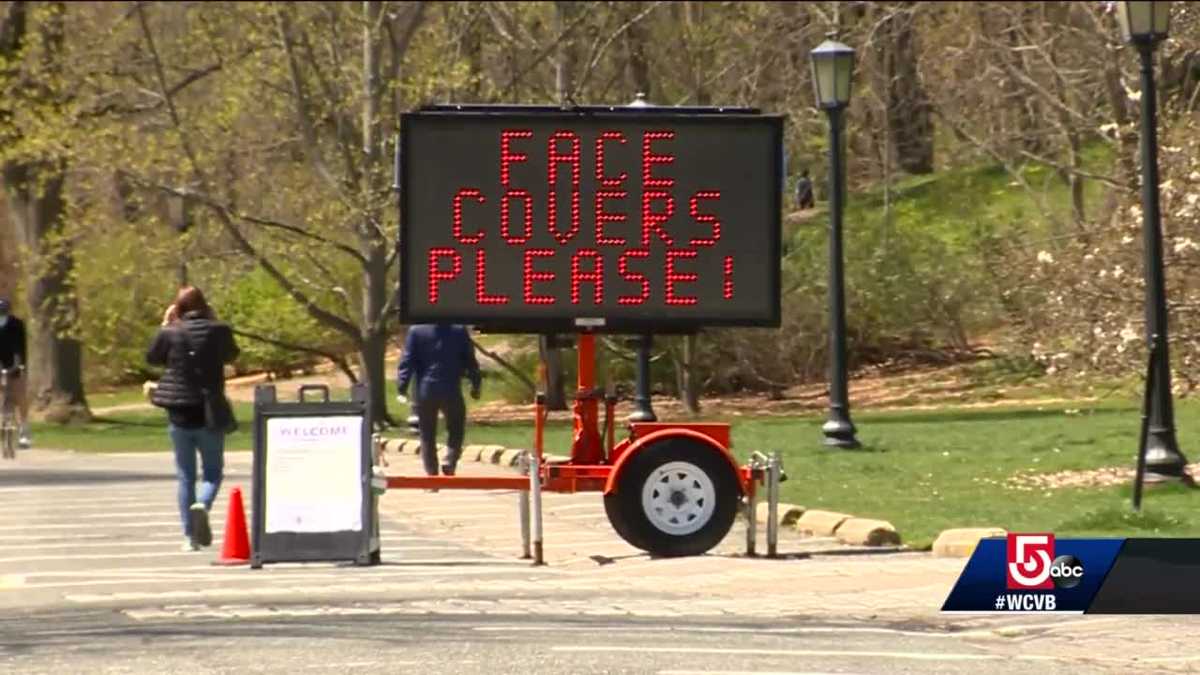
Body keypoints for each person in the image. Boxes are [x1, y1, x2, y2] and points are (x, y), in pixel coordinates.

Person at [146, 286, 240, 552]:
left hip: (178, 414)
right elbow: (232, 355)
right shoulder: (219, 330)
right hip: (209, 412)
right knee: (212, 472)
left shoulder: (170, 332)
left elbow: (152, 358)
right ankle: (204, 504)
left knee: (185, 476)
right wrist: (216, 320)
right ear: (205, 305)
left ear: (178, 308)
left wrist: (165, 324)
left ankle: (189, 537)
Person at [396, 324, 481, 478]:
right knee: (456, 428)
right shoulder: (458, 331)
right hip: (451, 389)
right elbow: (470, 360)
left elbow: (407, 361)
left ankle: (432, 474)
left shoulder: (416, 331)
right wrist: (475, 384)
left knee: (427, 434)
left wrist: (402, 386)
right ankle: (450, 459)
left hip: (426, 390)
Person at [0, 298, 30, 449]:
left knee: (19, 393)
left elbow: (20, 347)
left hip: (14, 360)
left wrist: (20, 365)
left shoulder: (17, 325)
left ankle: (24, 429)